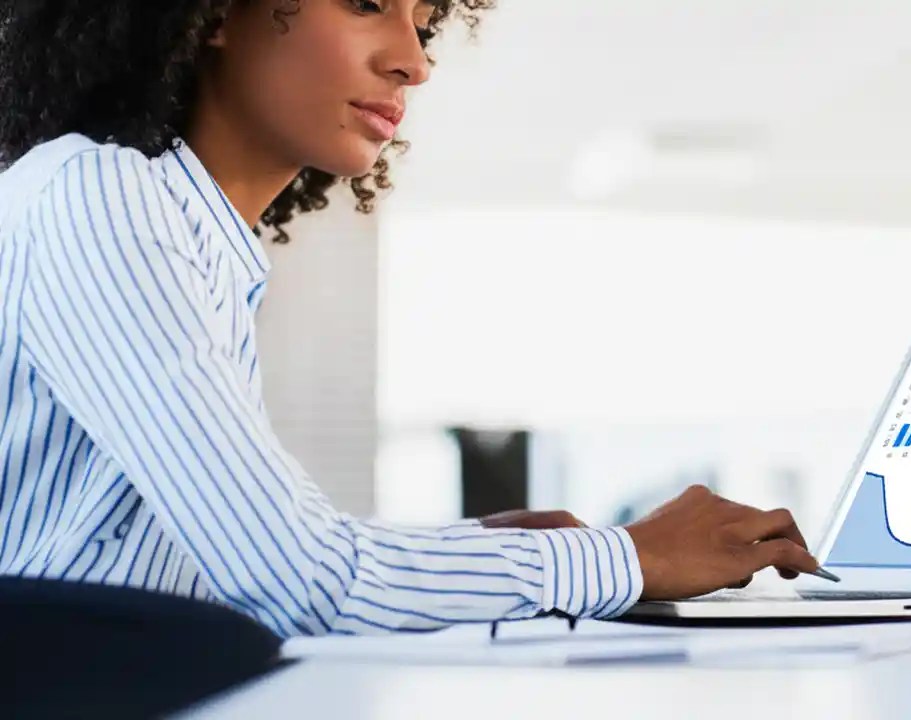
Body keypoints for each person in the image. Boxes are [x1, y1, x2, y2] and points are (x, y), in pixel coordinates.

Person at [0, 0, 819, 637]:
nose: (414, 61)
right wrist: (628, 556)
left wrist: (492, 548)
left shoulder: (190, 239)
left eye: (424, 24)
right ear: (214, 11)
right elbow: (300, 580)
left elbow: (182, 575)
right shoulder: (103, 196)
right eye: (365, 4)